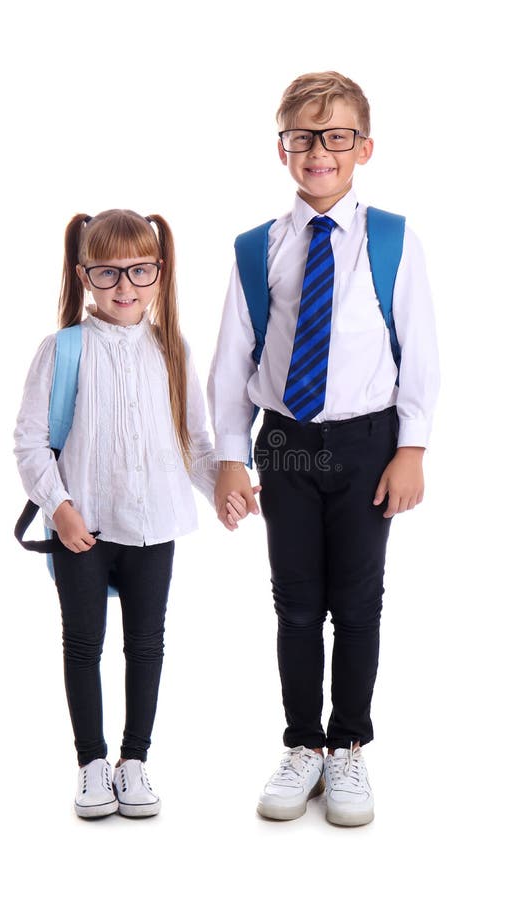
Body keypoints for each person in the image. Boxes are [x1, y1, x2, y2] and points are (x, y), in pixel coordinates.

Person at [208, 71, 440, 826]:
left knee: (358, 600)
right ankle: (302, 742)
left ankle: (348, 748)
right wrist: (230, 458)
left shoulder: (391, 238)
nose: (319, 151)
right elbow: (232, 361)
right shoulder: (256, 249)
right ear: (282, 150)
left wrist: (411, 447)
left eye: (335, 136)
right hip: (285, 444)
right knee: (295, 601)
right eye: (303, 138)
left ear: (362, 147)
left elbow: (420, 350)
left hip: (369, 443)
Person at [15, 209, 244, 819]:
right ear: (85, 274)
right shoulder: (62, 349)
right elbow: (30, 441)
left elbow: (195, 442)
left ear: (159, 273)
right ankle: (92, 764)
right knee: (82, 642)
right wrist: (59, 508)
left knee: (146, 643)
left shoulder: (171, 349)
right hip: (81, 525)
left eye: (140, 271)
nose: (125, 285)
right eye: (109, 272)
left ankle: (134, 760)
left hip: (154, 525)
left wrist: (223, 489)